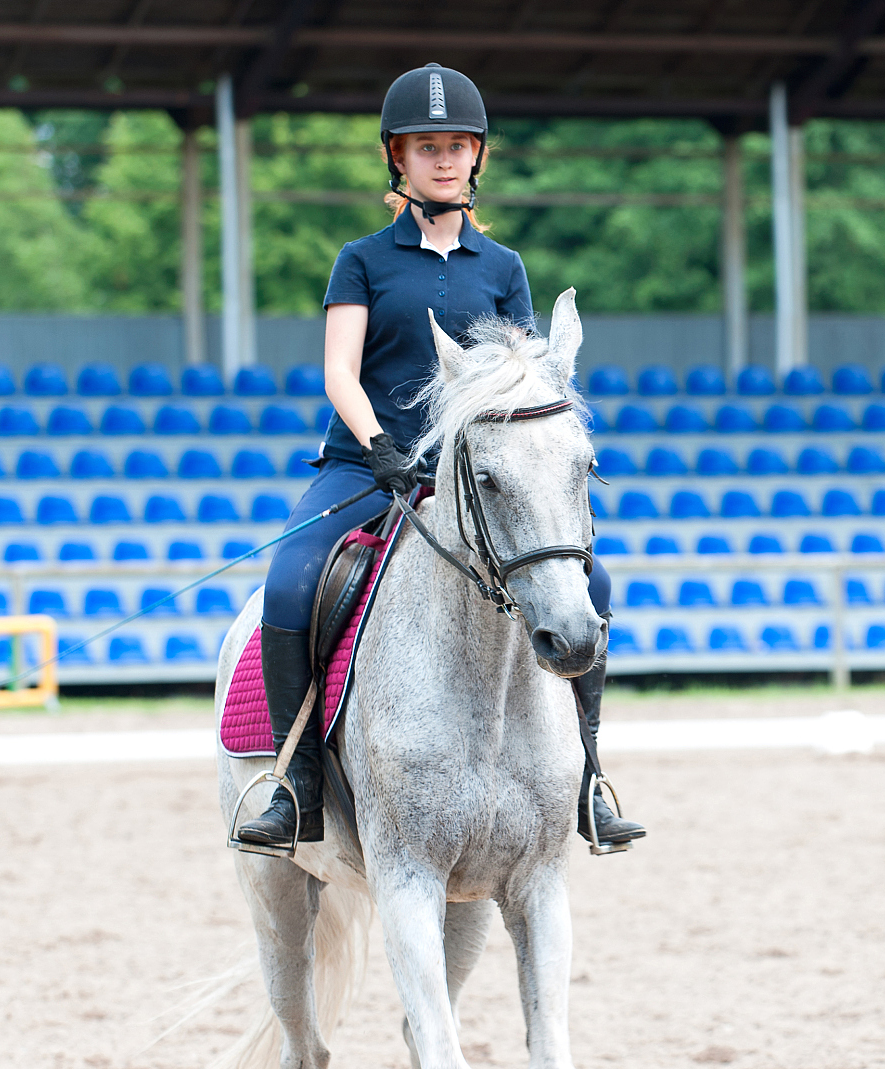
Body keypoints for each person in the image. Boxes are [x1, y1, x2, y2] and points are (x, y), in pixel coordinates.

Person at [235, 62, 645, 853]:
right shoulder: (361, 259)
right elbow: (338, 373)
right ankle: (295, 787)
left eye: (458, 145)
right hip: (367, 465)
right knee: (290, 578)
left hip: (475, 479)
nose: (445, 159)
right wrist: (381, 448)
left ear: (477, 156)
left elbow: (523, 376)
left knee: (589, 580)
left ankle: (589, 775)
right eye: (428, 147)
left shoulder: (503, 269)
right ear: (398, 159)